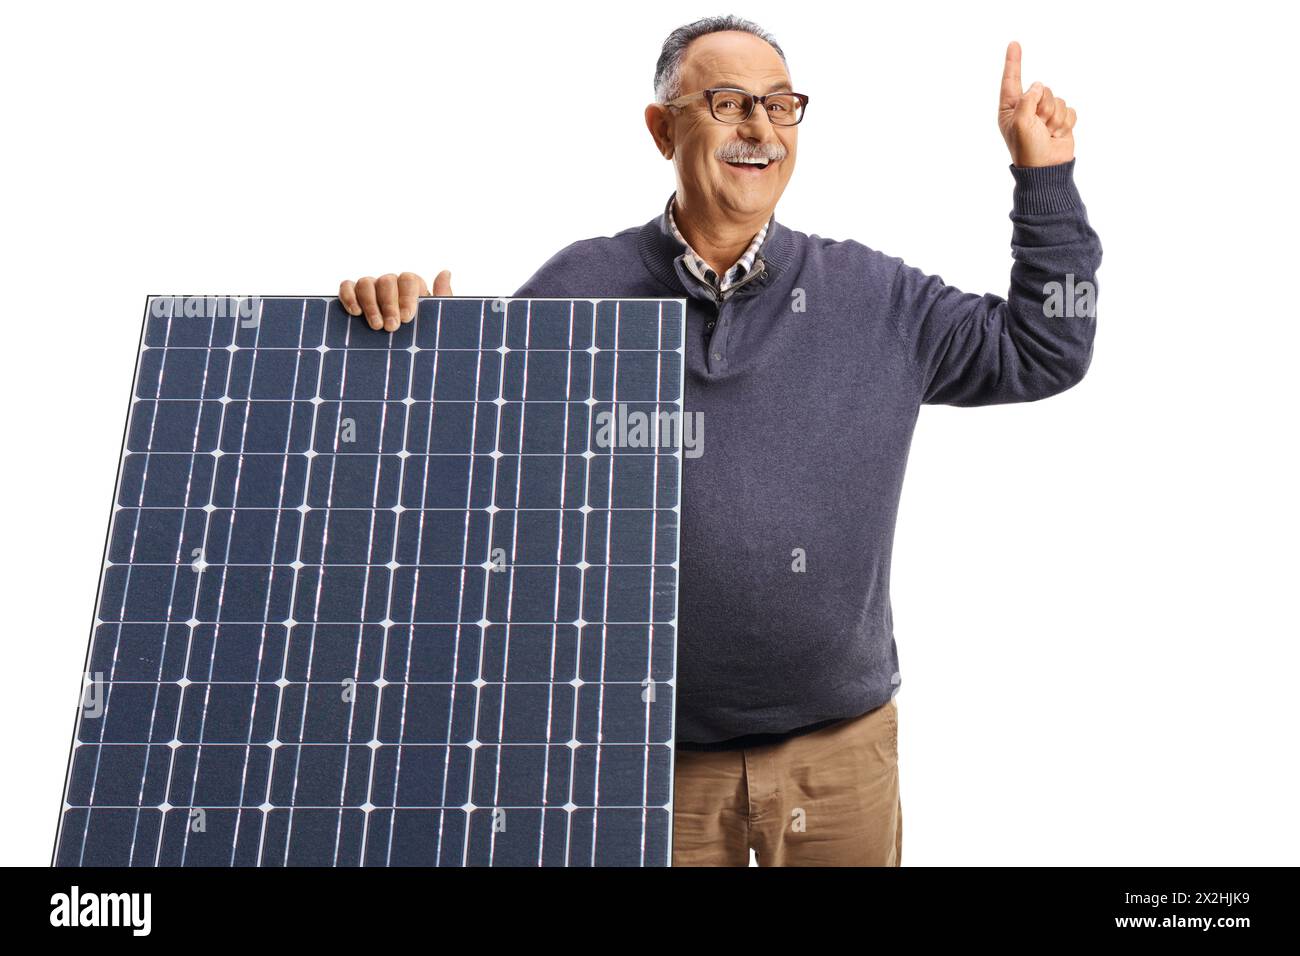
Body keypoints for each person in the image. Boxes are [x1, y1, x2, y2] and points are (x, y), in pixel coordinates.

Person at [338, 15, 1101, 866]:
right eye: (729, 103)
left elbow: (1047, 348)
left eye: (781, 106)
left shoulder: (874, 299)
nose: (760, 130)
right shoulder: (576, 295)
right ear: (663, 129)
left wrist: (1047, 179)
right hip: (641, 769)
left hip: (843, 762)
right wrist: (402, 340)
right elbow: (459, 475)